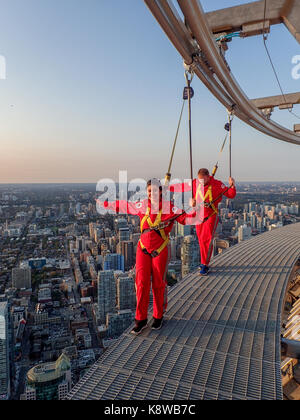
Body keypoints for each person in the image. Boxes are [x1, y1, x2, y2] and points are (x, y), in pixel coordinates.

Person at [97, 178, 196, 335]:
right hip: (143, 249)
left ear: (161, 191)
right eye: (150, 191)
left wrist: (193, 207)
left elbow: (188, 219)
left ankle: (158, 316)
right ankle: (141, 319)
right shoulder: (142, 204)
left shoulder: (170, 208)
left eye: (155, 190)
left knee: (158, 284)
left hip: (160, 249)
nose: (152, 194)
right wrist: (106, 204)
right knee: (141, 284)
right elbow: (124, 205)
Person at [170, 168, 236, 276]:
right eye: (199, 179)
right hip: (198, 215)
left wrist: (232, 185)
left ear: (207, 176)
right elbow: (181, 187)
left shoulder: (217, 184)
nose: (201, 182)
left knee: (206, 239)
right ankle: (204, 262)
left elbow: (230, 194)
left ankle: (205, 264)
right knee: (201, 239)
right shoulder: (195, 183)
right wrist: (167, 187)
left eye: (203, 180)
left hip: (210, 215)